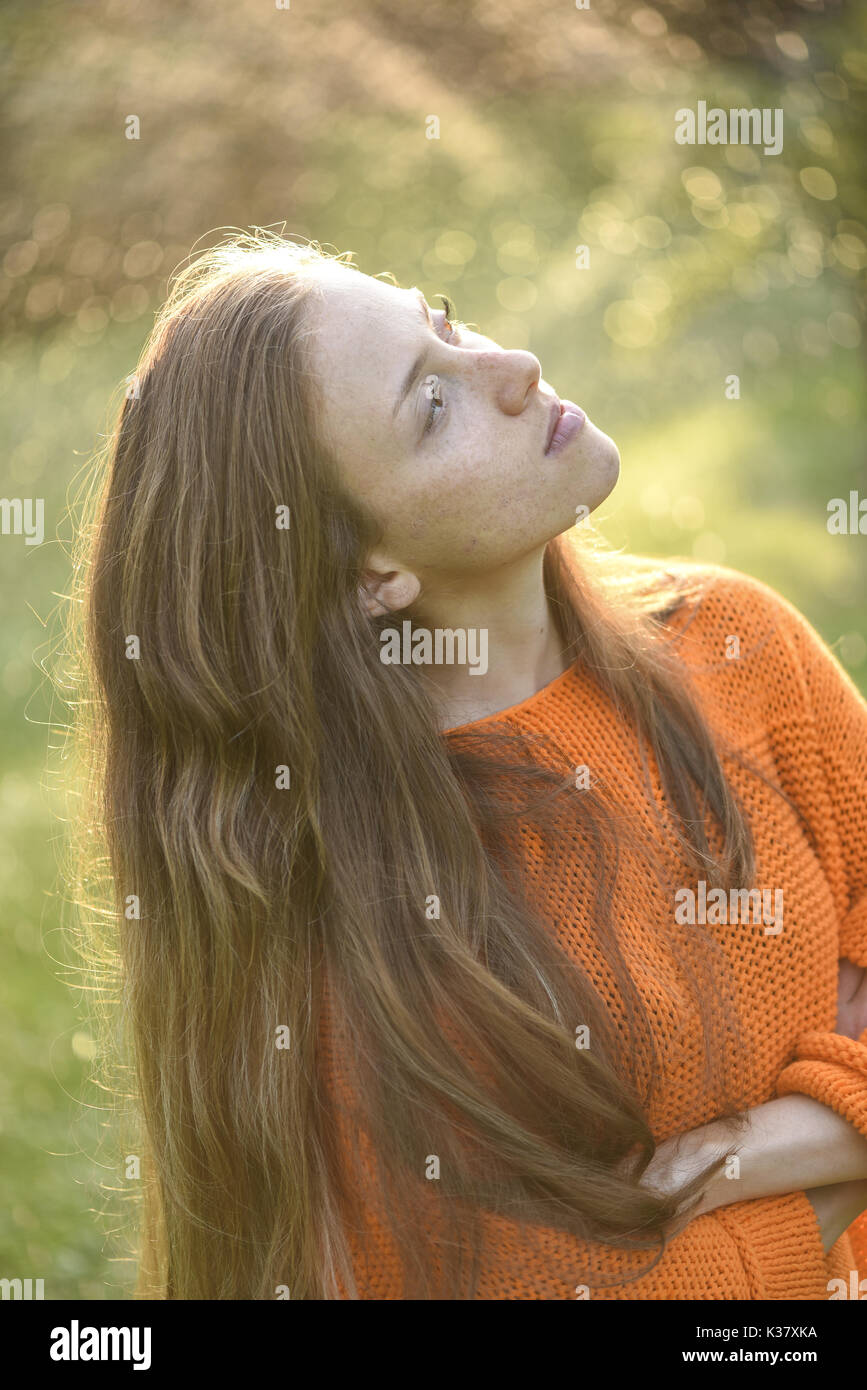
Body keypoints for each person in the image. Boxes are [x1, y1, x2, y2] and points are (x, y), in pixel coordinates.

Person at [63, 230, 867, 1299]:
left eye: (445, 322)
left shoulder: (737, 642)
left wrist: (781, 1135)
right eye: (431, 406)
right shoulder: (359, 914)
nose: (512, 367)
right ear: (367, 575)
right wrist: (837, 1174)